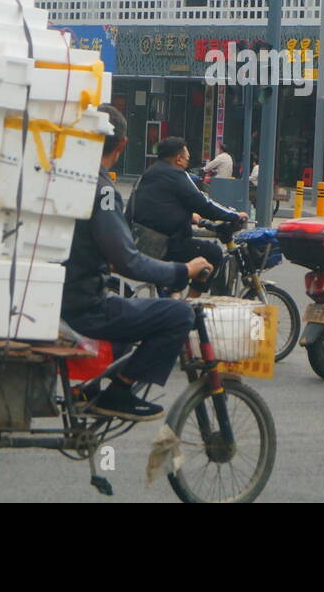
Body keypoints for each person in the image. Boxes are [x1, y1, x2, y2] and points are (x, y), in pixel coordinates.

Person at [62, 106, 213, 421]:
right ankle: (118, 392)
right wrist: (182, 270)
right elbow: (127, 260)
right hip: (85, 307)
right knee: (178, 313)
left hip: (60, 299)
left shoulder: (66, 178)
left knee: (132, 316)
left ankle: (91, 388)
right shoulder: (102, 190)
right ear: (121, 145)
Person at [128, 137, 247, 282]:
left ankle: (174, 294)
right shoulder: (177, 174)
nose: (187, 162)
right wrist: (235, 215)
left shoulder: (148, 174)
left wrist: (190, 216)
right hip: (163, 245)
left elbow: (159, 206)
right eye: (187, 158)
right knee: (213, 253)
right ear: (178, 159)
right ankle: (192, 302)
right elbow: (204, 204)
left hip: (138, 242)